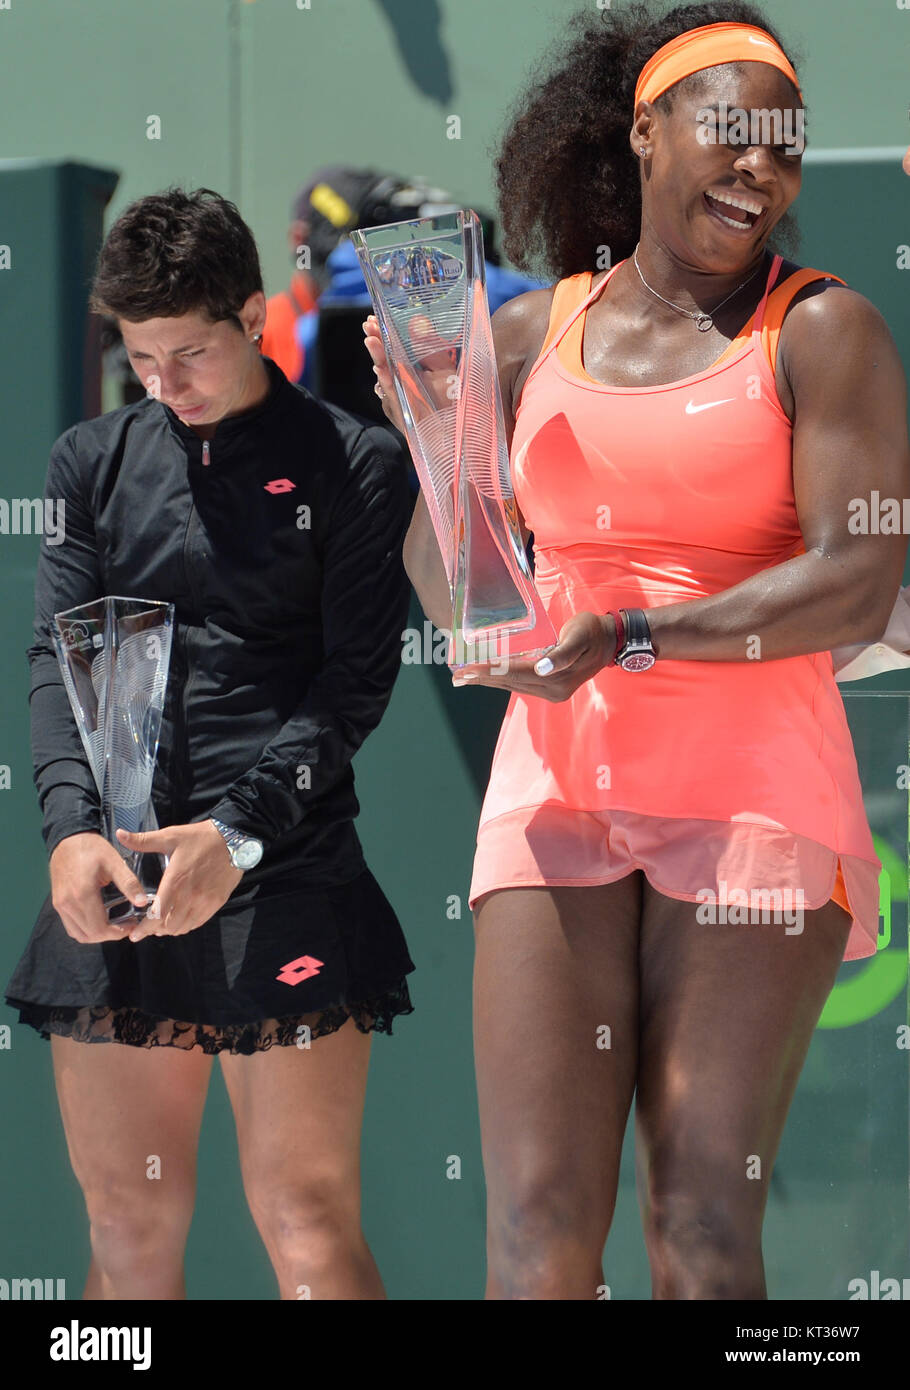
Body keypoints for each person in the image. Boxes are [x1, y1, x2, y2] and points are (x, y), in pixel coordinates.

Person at [366, 2, 910, 1299]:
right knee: (537, 1226)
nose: (760, 168)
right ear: (644, 133)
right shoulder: (514, 334)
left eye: (784, 147)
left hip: (754, 807)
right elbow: (448, 561)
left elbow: (854, 577)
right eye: (731, 135)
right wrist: (444, 488)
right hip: (554, 797)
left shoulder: (823, 330)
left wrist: (631, 633)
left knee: (700, 1230)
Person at [5, 186, 416, 1301]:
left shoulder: (354, 462)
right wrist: (70, 834)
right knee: (127, 1225)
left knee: (305, 1218)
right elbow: (56, 658)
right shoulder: (89, 461)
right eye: (141, 358)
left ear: (254, 315)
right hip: (114, 869)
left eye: (188, 351)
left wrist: (234, 837)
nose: (165, 382)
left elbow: (354, 684)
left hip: (281, 875)